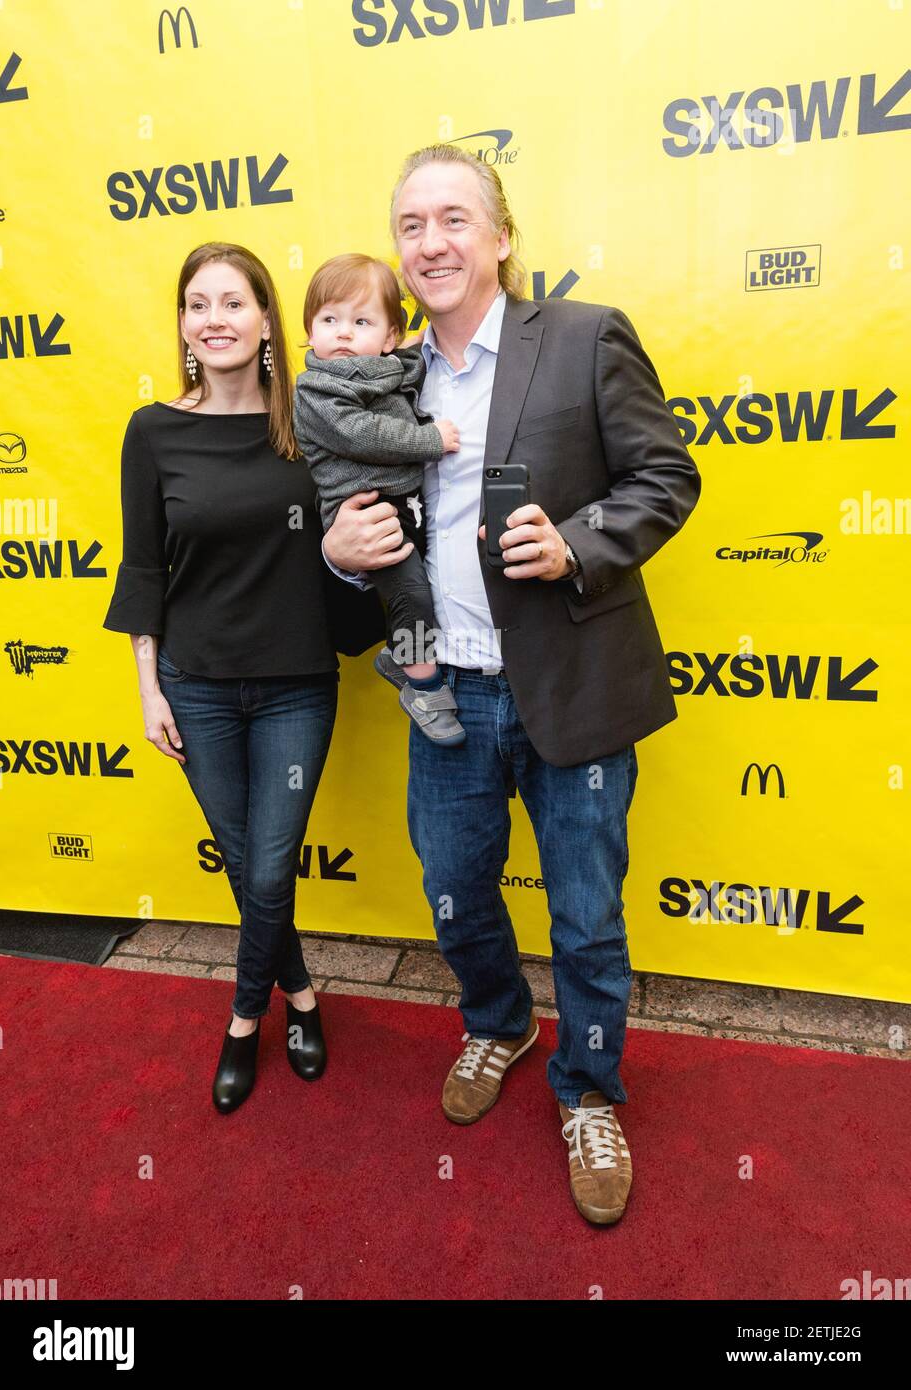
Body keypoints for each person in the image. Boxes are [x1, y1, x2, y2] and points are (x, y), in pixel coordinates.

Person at [322, 146, 702, 1225]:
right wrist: (341, 550)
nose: (430, 242)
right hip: (444, 693)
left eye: (452, 219)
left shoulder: (582, 338)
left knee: (585, 918)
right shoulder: (379, 375)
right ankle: (498, 1020)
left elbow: (666, 474)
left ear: (500, 237)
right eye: (409, 225)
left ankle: (587, 1091)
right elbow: (355, 526)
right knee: (454, 892)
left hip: (571, 686)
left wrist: (579, 542)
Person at [102, 241, 384, 1116]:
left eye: (233, 303)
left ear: (268, 321)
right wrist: (150, 686)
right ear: (183, 324)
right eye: (198, 304)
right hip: (197, 687)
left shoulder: (309, 423)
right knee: (247, 866)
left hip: (298, 683)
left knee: (267, 870)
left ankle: (240, 1016)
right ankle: (299, 997)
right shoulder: (153, 431)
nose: (214, 320)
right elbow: (144, 569)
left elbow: (367, 531)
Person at [294, 252, 466, 746]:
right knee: (410, 593)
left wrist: (414, 349)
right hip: (369, 518)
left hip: (407, 506)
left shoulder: (384, 368)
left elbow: (403, 373)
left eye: (361, 321)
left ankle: (402, 652)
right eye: (329, 320)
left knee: (427, 591)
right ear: (310, 330)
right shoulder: (317, 389)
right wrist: (432, 440)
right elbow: (363, 433)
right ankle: (426, 689)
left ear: (389, 336)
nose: (343, 333)